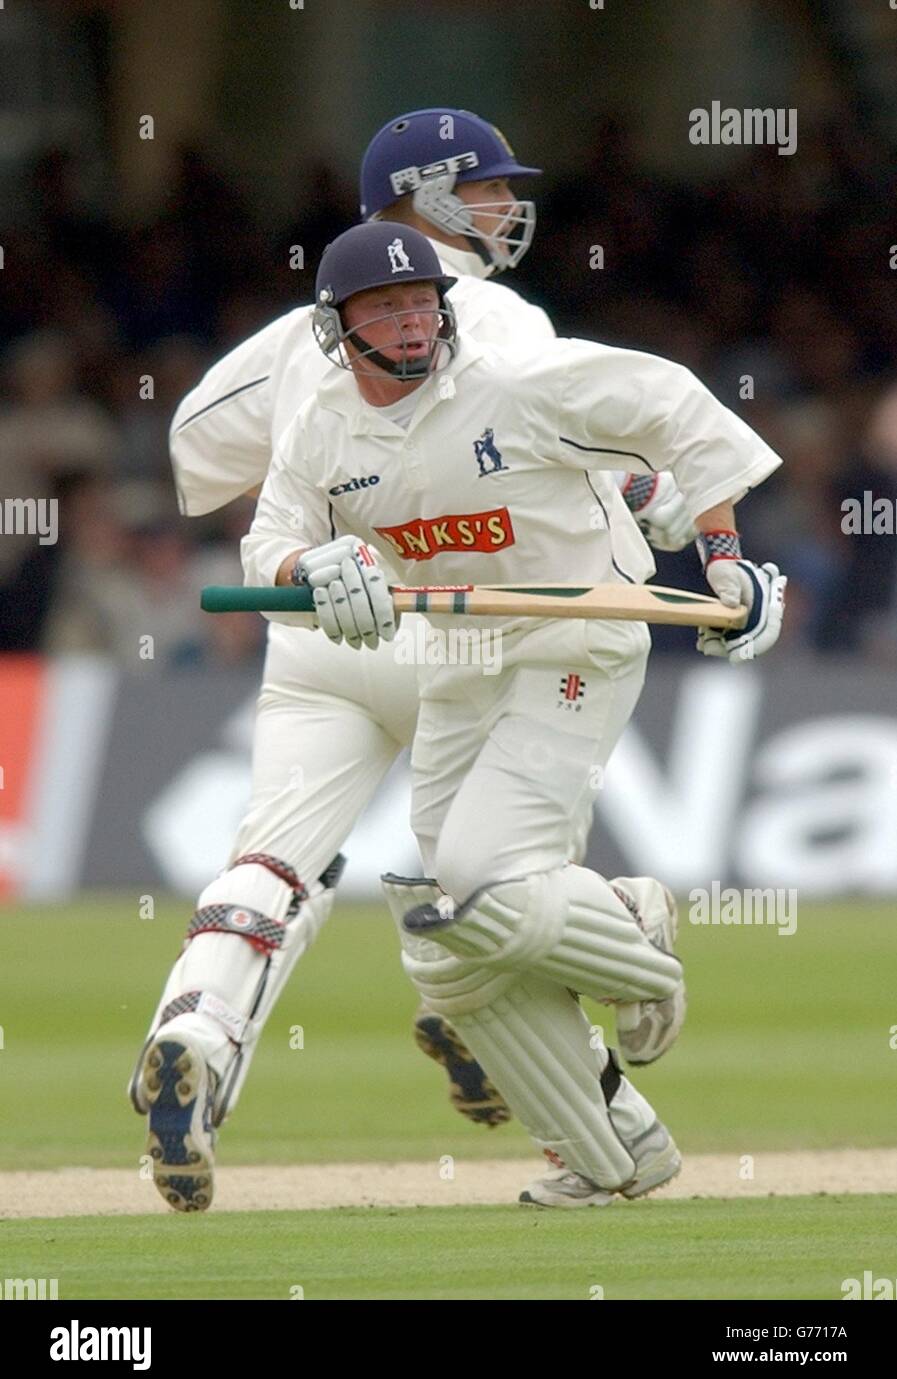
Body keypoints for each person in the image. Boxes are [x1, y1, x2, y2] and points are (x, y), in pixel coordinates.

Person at [130, 109, 695, 1213]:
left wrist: (312, 500)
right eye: (485, 189)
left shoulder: (302, 330)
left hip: (321, 623)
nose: (503, 209)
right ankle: (607, 965)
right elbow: (572, 440)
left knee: (273, 863)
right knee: (488, 888)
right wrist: (655, 501)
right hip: (461, 622)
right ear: (428, 197)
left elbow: (194, 444)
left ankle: (196, 1027)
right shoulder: (485, 311)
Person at [242, 221, 787, 1206]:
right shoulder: (321, 424)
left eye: (423, 302)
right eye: (386, 307)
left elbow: (679, 411)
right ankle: (614, 1147)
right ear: (337, 327)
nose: (413, 322)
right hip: (458, 654)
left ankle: (634, 935)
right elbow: (270, 538)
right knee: (440, 937)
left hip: (577, 635)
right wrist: (305, 565)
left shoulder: (516, 381)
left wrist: (721, 558)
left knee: (486, 882)